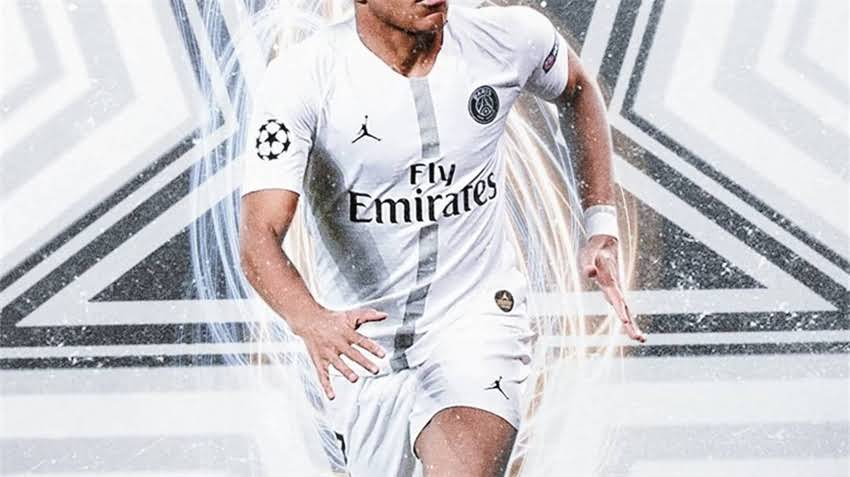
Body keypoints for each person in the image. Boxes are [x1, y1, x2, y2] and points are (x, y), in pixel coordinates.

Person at [239, 0, 646, 475]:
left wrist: (600, 225)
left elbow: (577, 89)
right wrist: (310, 319)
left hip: (478, 319)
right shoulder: (302, 78)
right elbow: (259, 236)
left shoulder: (509, 38)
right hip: (361, 347)